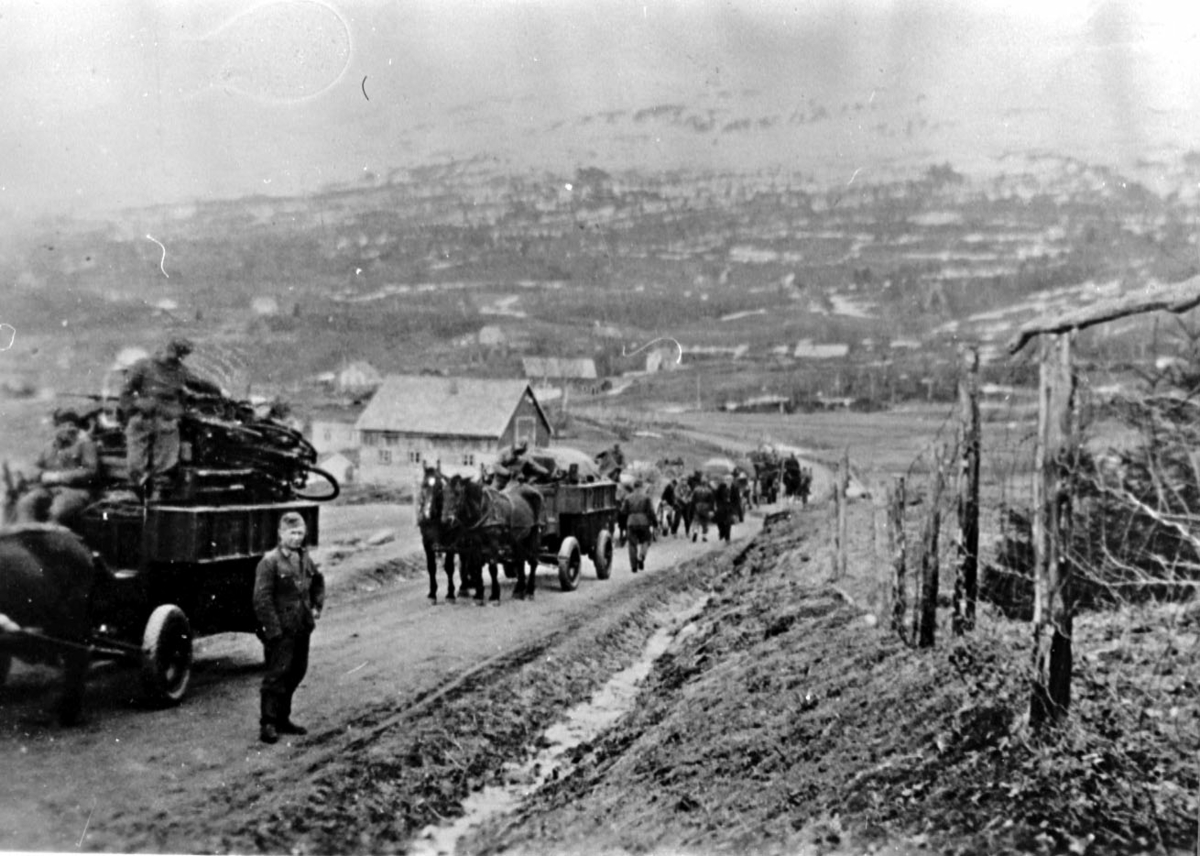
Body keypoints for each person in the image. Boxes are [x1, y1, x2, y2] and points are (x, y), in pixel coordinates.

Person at [253, 511, 325, 744]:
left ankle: (283, 718)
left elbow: (317, 581)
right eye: (292, 533)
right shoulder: (270, 561)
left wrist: (317, 606)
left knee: (297, 671)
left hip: (301, 625)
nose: (296, 538)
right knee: (276, 675)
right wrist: (273, 631)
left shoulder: (303, 558)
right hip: (281, 630)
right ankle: (268, 724)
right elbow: (261, 599)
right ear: (281, 534)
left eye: (300, 533)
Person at [118, 337, 222, 492]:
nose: (172, 356)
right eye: (172, 350)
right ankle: (137, 490)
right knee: (135, 464)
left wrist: (218, 390)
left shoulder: (180, 371)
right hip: (142, 419)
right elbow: (125, 394)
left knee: (164, 464)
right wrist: (136, 405)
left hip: (166, 420)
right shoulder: (142, 366)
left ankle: (158, 491)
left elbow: (199, 384)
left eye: (179, 353)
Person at [14, 409, 100, 529]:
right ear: (57, 428)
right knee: (26, 503)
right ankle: (27, 534)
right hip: (49, 490)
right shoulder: (49, 446)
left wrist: (59, 477)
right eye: (63, 426)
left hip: (76, 491)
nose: (67, 429)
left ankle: (55, 538)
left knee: (59, 510)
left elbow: (91, 471)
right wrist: (42, 475)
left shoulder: (85, 445)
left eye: (71, 425)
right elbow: (33, 467)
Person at [620, 479, 656, 573]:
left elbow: (623, 511)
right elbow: (651, 511)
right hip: (644, 522)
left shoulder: (628, 497)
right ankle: (641, 556)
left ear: (634, 487)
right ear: (642, 487)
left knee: (632, 544)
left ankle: (633, 567)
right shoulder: (646, 497)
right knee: (646, 540)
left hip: (631, 522)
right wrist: (655, 522)